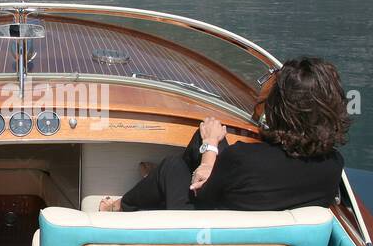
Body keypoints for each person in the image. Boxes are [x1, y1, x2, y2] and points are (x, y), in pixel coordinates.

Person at [102, 56, 349, 212]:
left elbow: (201, 189)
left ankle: (120, 207)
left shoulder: (245, 159)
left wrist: (210, 151)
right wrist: (207, 146)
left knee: (172, 168)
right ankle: (155, 184)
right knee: (201, 140)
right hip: (266, 242)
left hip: (210, 235)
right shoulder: (333, 165)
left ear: (282, 109)